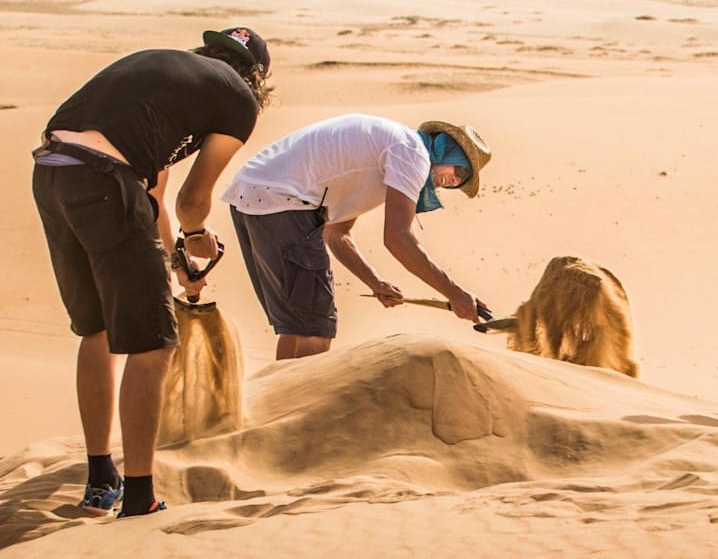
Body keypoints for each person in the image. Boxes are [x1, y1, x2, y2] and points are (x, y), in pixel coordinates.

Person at [31, 27, 273, 517]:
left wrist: (177, 259)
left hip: (53, 173)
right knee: (152, 344)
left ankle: (101, 476)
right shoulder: (239, 101)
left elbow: (152, 197)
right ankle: (141, 499)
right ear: (256, 79)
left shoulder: (164, 78)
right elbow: (189, 201)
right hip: (103, 181)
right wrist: (198, 235)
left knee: (97, 329)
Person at [221, 113, 493, 361]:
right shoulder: (413, 153)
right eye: (460, 170)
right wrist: (455, 294)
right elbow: (398, 238)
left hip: (253, 196)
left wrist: (374, 282)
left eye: (462, 181)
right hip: (284, 201)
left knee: (298, 326)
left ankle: (275, 407)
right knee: (316, 328)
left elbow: (337, 234)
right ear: (446, 150)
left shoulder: (392, 151)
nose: (454, 181)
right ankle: (302, 411)